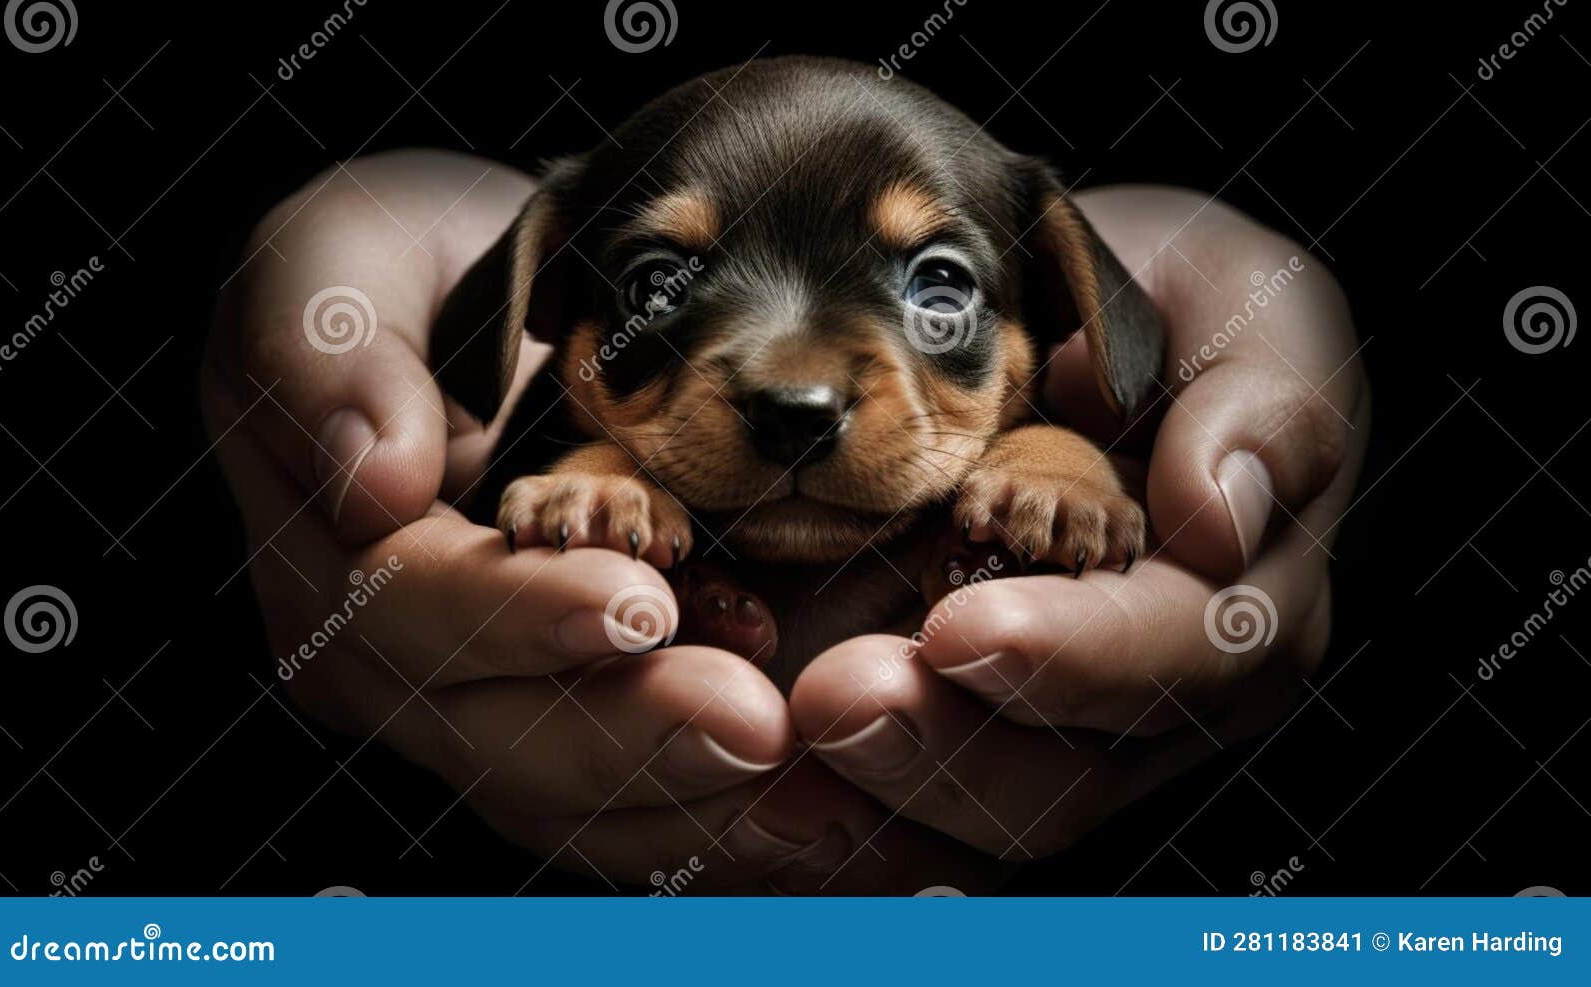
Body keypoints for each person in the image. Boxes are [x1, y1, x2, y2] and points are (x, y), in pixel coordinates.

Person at [202, 149, 1368, 894]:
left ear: (1067, 315)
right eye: (661, 283)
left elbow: (1073, 430)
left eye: (939, 285)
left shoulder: (1041, 429)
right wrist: (603, 478)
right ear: (547, 306)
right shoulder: (603, 462)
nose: (801, 386)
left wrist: (1062, 464)